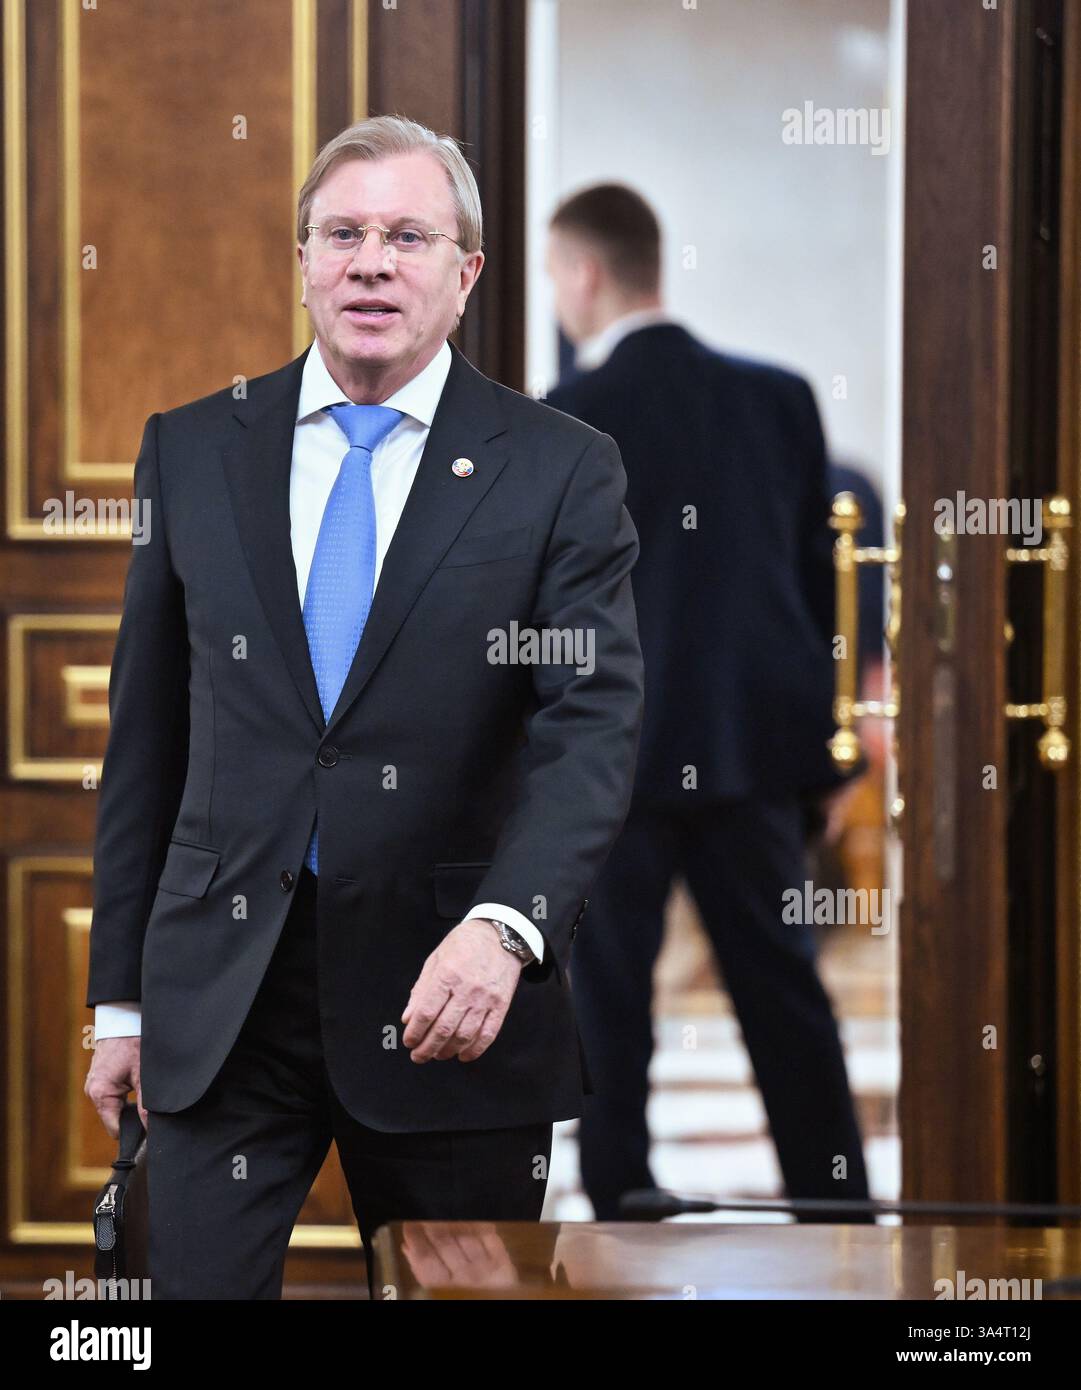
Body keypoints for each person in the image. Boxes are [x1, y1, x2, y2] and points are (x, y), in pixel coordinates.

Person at [83, 117, 644, 1299]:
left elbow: (588, 724)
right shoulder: (191, 451)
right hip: (228, 998)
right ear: (302, 261)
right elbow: (147, 742)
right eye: (342, 233)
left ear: (465, 272)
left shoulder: (558, 467)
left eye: (406, 235)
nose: (371, 262)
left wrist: (509, 926)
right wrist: (120, 1000)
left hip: (452, 996)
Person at [544, 182, 870, 1220]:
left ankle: (623, 1193)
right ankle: (840, 1207)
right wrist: (829, 758)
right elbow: (824, 592)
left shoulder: (564, 421)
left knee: (607, 997)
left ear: (583, 276)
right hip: (750, 755)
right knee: (785, 995)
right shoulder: (779, 399)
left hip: (612, 763)